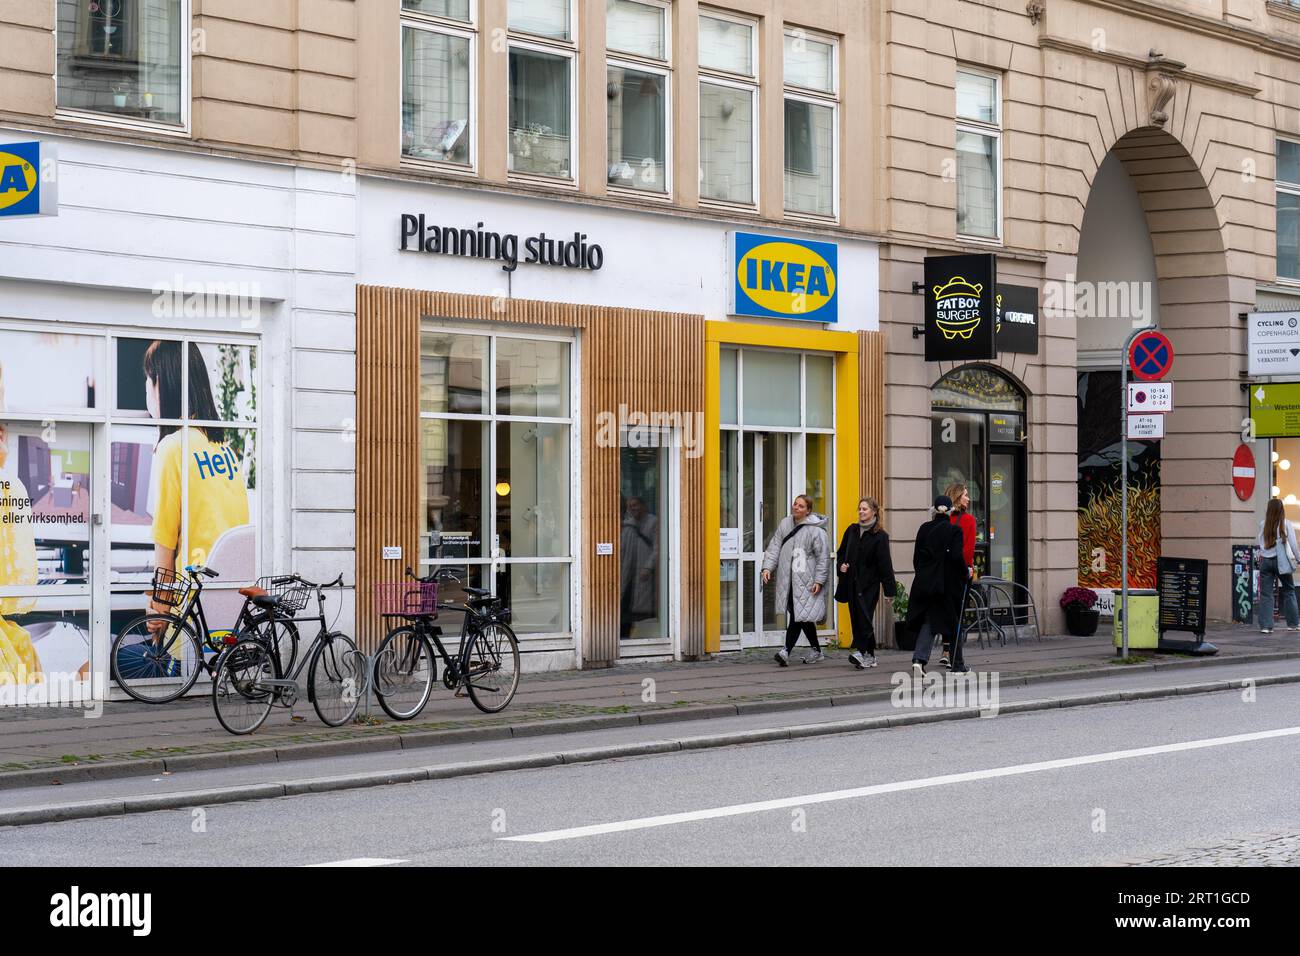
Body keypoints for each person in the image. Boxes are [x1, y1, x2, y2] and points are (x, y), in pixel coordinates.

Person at [142, 341, 250, 632]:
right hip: (229, 612)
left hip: (188, 620)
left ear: (162, 383)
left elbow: (165, 550)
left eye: (148, 378)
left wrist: (158, 609)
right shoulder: (223, 448)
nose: (146, 389)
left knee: (101, 668)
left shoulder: (172, 448)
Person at [762, 494, 830, 666]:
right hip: (788, 578)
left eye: (800, 506)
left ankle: (786, 651)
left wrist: (819, 581)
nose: (796, 508)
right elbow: (775, 546)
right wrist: (767, 568)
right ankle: (817, 650)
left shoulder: (816, 530)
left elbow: (823, 557)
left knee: (799, 616)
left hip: (807, 580)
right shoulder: (785, 523)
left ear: (808, 511)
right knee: (801, 615)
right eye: (795, 504)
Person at [906, 495, 970, 675]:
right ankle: (957, 665)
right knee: (953, 622)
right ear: (950, 511)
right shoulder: (954, 531)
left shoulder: (924, 529)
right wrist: (965, 573)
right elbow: (957, 558)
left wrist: (923, 575)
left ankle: (919, 659)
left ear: (933, 510)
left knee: (929, 620)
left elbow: (916, 558)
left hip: (925, 583)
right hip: (946, 585)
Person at [835, 497, 896, 669]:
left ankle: (862, 652)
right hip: (851, 584)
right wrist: (842, 566)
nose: (861, 512)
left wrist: (889, 591)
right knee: (857, 620)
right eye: (859, 509)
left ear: (874, 512)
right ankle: (870, 656)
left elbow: (885, 564)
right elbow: (841, 553)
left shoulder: (880, 536)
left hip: (869, 586)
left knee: (864, 618)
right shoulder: (852, 530)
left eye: (865, 509)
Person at [942, 482, 977, 665]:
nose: (968, 498)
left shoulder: (942, 519)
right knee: (958, 615)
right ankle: (957, 659)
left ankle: (946, 650)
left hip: (942, 574)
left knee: (945, 612)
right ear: (957, 497)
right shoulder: (969, 520)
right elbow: (968, 551)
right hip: (961, 573)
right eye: (965, 494)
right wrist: (967, 570)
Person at [1256, 497, 1300, 634]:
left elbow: (1260, 544)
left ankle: (1266, 626)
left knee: (1266, 594)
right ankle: (1293, 624)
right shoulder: (1286, 524)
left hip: (1266, 562)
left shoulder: (1263, 524)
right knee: (1289, 591)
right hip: (1282, 563)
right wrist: (1298, 559)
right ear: (1282, 510)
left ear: (1269, 510)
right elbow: (1293, 545)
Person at [619, 495, 659, 637]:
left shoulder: (653, 522)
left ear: (643, 505)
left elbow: (658, 548)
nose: (632, 508)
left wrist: (648, 567)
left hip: (643, 573)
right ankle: (625, 635)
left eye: (635, 505)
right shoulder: (628, 524)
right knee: (626, 607)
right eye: (630, 506)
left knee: (640, 610)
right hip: (628, 573)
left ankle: (639, 636)